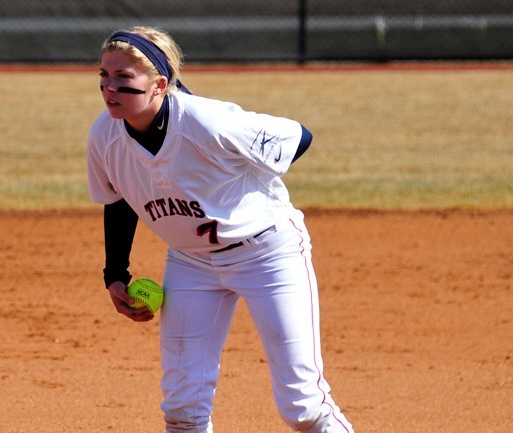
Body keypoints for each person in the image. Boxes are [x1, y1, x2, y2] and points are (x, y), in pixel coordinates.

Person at [86, 26, 354, 433]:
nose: (109, 88)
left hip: (267, 254)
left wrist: (242, 184)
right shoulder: (104, 136)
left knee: (302, 405)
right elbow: (120, 197)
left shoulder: (207, 122)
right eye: (104, 76)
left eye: (124, 77)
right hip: (190, 263)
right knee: (183, 408)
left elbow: (299, 136)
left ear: (160, 85)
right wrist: (115, 273)